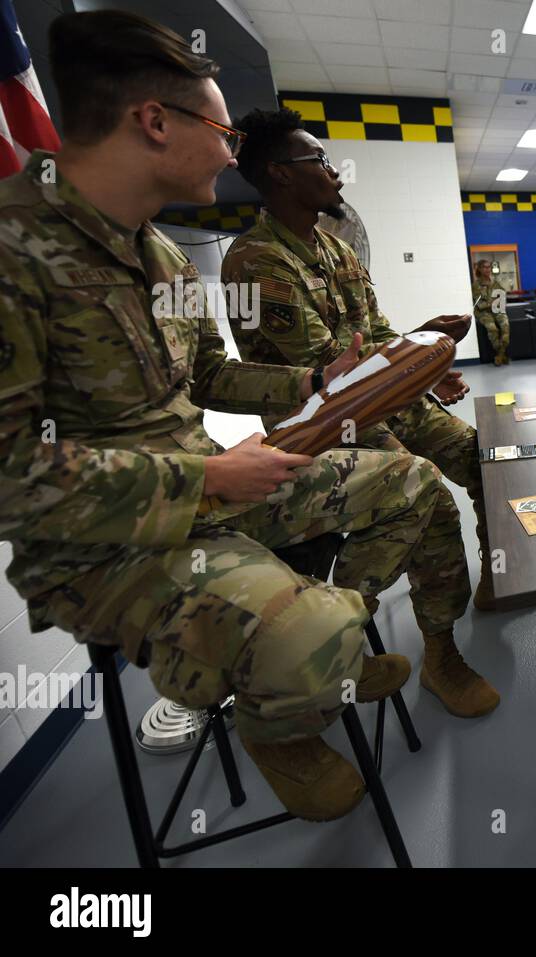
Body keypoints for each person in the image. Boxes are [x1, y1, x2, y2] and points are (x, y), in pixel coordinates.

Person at [0, 9, 458, 821]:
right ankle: (289, 697)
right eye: (220, 131)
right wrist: (207, 473)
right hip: (98, 546)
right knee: (310, 636)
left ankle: (325, 649)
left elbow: (211, 373)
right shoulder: (14, 248)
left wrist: (317, 376)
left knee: (415, 483)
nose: (230, 151)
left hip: (210, 497)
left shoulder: (166, 255)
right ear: (154, 122)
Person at [221, 107, 500, 716]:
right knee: (430, 501)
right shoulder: (254, 263)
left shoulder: (335, 247)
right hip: (326, 424)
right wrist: (413, 359)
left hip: (385, 399)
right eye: (318, 160)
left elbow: (373, 332)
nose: (335, 172)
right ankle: (440, 653)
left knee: (481, 457)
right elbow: (330, 367)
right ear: (280, 175)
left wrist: (424, 368)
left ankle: (497, 577)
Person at [472, 259, 510, 364]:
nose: (487, 269)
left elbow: (502, 296)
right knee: (493, 329)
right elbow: (480, 304)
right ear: (479, 269)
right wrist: (493, 301)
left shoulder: (495, 282)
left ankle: (500, 355)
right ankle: (501, 354)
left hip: (497, 310)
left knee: (505, 326)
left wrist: (498, 303)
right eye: (484, 267)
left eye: (489, 267)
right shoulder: (476, 285)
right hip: (483, 312)